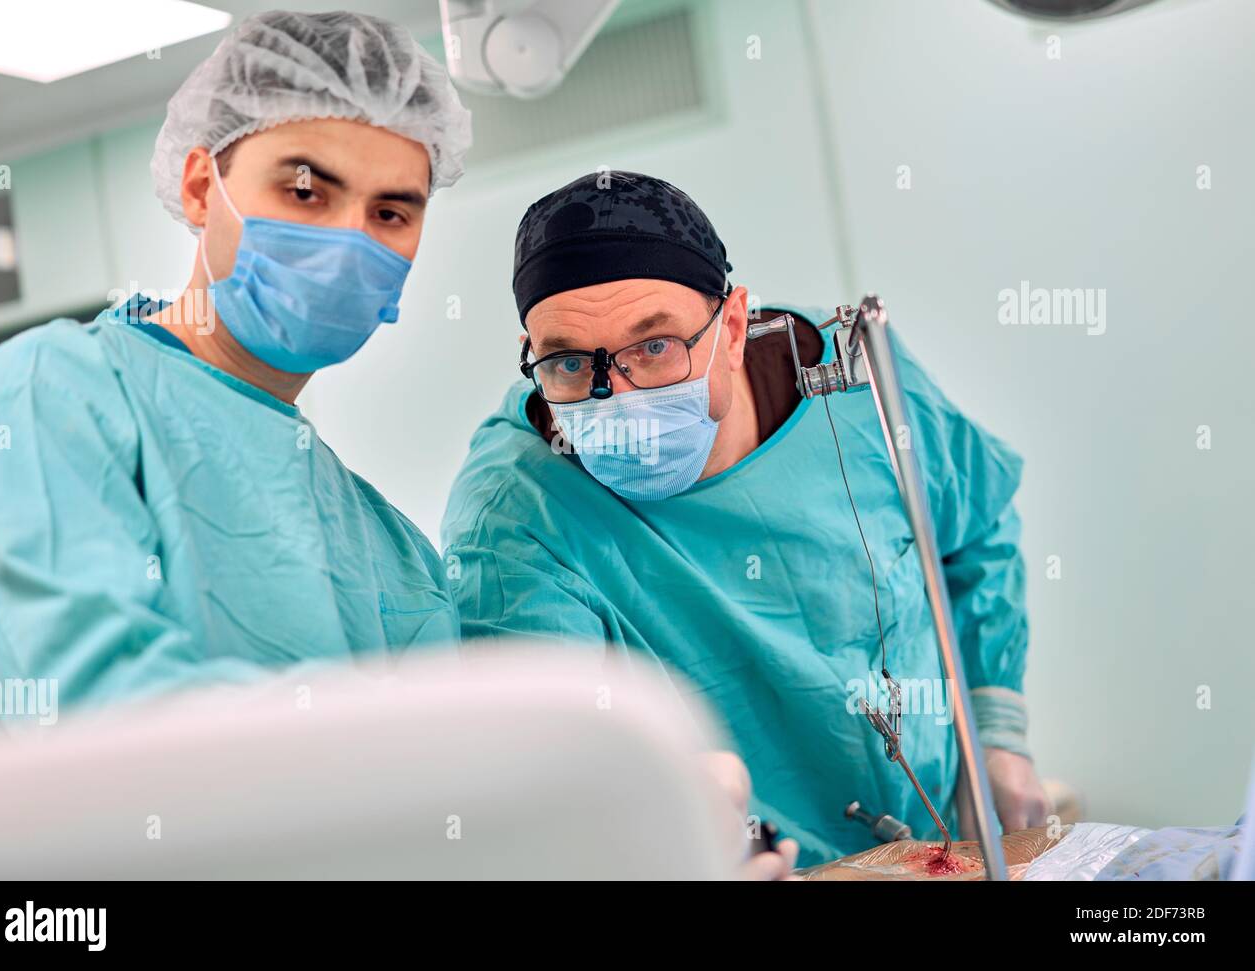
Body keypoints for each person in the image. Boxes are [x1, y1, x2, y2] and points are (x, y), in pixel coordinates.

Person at [442, 170, 1051, 866]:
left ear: (732, 327)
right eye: (571, 362)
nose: (618, 395)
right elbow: (565, 767)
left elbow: (975, 532)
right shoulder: (515, 519)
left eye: (655, 345)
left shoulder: (860, 386)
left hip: (949, 830)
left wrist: (997, 733)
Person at [0, 12, 471, 714]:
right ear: (201, 189)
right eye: (305, 192)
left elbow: (452, 756)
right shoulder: (52, 395)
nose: (349, 239)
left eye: (390, 213)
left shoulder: (391, 549)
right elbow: (92, 713)